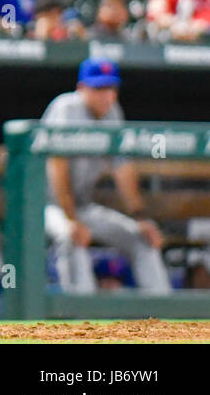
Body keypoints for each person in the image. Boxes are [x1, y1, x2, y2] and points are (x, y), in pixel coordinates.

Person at [41, 60, 172, 295]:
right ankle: (84, 319)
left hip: (81, 206)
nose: (107, 96)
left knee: (141, 237)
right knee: (71, 236)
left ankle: (165, 320)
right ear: (82, 88)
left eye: (111, 89)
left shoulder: (113, 113)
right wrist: (72, 220)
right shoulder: (66, 108)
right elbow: (57, 166)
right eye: (99, 89)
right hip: (45, 206)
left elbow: (122, 168)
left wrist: (141, 217)